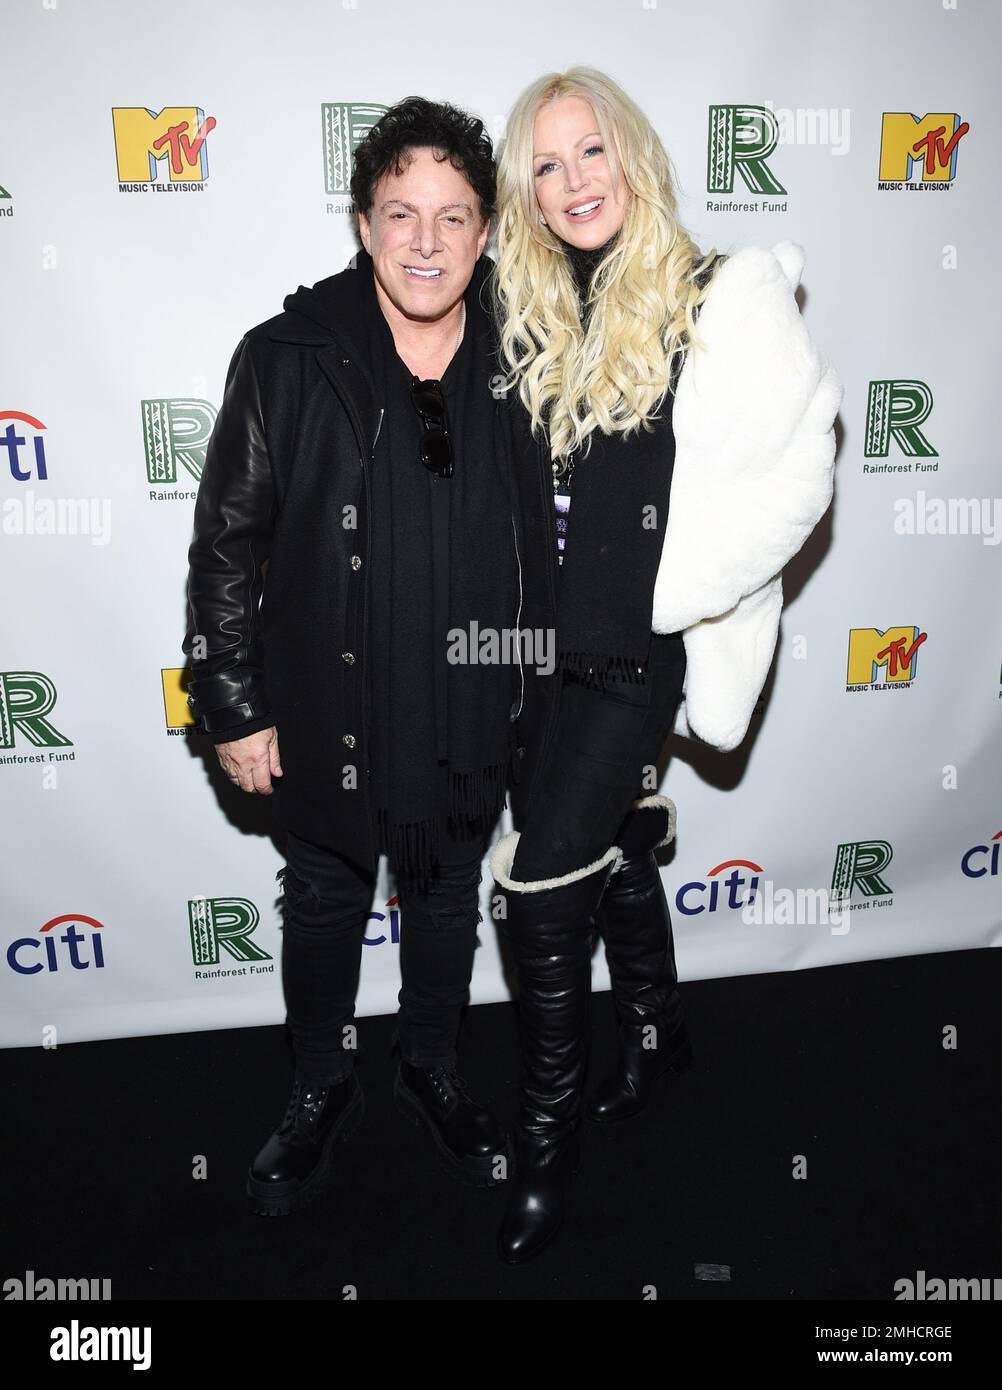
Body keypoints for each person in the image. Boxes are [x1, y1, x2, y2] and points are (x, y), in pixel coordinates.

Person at [489, 66, 843, 1263]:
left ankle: (546, 1144)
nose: (574, 180)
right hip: (539, 655)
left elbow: (799, 479)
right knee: (607, 836)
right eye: (546, 165)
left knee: (538, 891)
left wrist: (653, 598)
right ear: (525, 194)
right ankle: (655, 1023)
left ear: (633, 155)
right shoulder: (536, 312)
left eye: (591, 152)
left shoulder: (719, 293)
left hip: (638, 655)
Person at [183, 97, 522, 1216]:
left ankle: (430, 1068)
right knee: (324, 906)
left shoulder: (529, 363)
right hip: (328, 705)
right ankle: (322, 1083)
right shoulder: (288, 357)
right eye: (401, 213)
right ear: (364, 224)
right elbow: (226, 540)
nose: (426, 241)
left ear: (486, 231)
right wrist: (231, 703)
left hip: (464, 712)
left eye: (453, 216)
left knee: (443, 902)